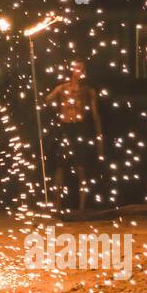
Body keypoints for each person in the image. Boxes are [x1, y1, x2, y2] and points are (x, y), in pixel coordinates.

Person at [43, 60, 104, 211]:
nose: (80, 70)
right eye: (77, 68)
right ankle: (57, 204)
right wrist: (40, 99)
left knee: (81, 168)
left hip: (79, 129)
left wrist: (99, 136)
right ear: (72, 70)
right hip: (65, 129)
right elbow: (45, 100)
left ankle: (82, 207)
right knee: (60, 167)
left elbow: (96, 116)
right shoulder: (62, 88)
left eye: (82, 68)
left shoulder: (88, 91)